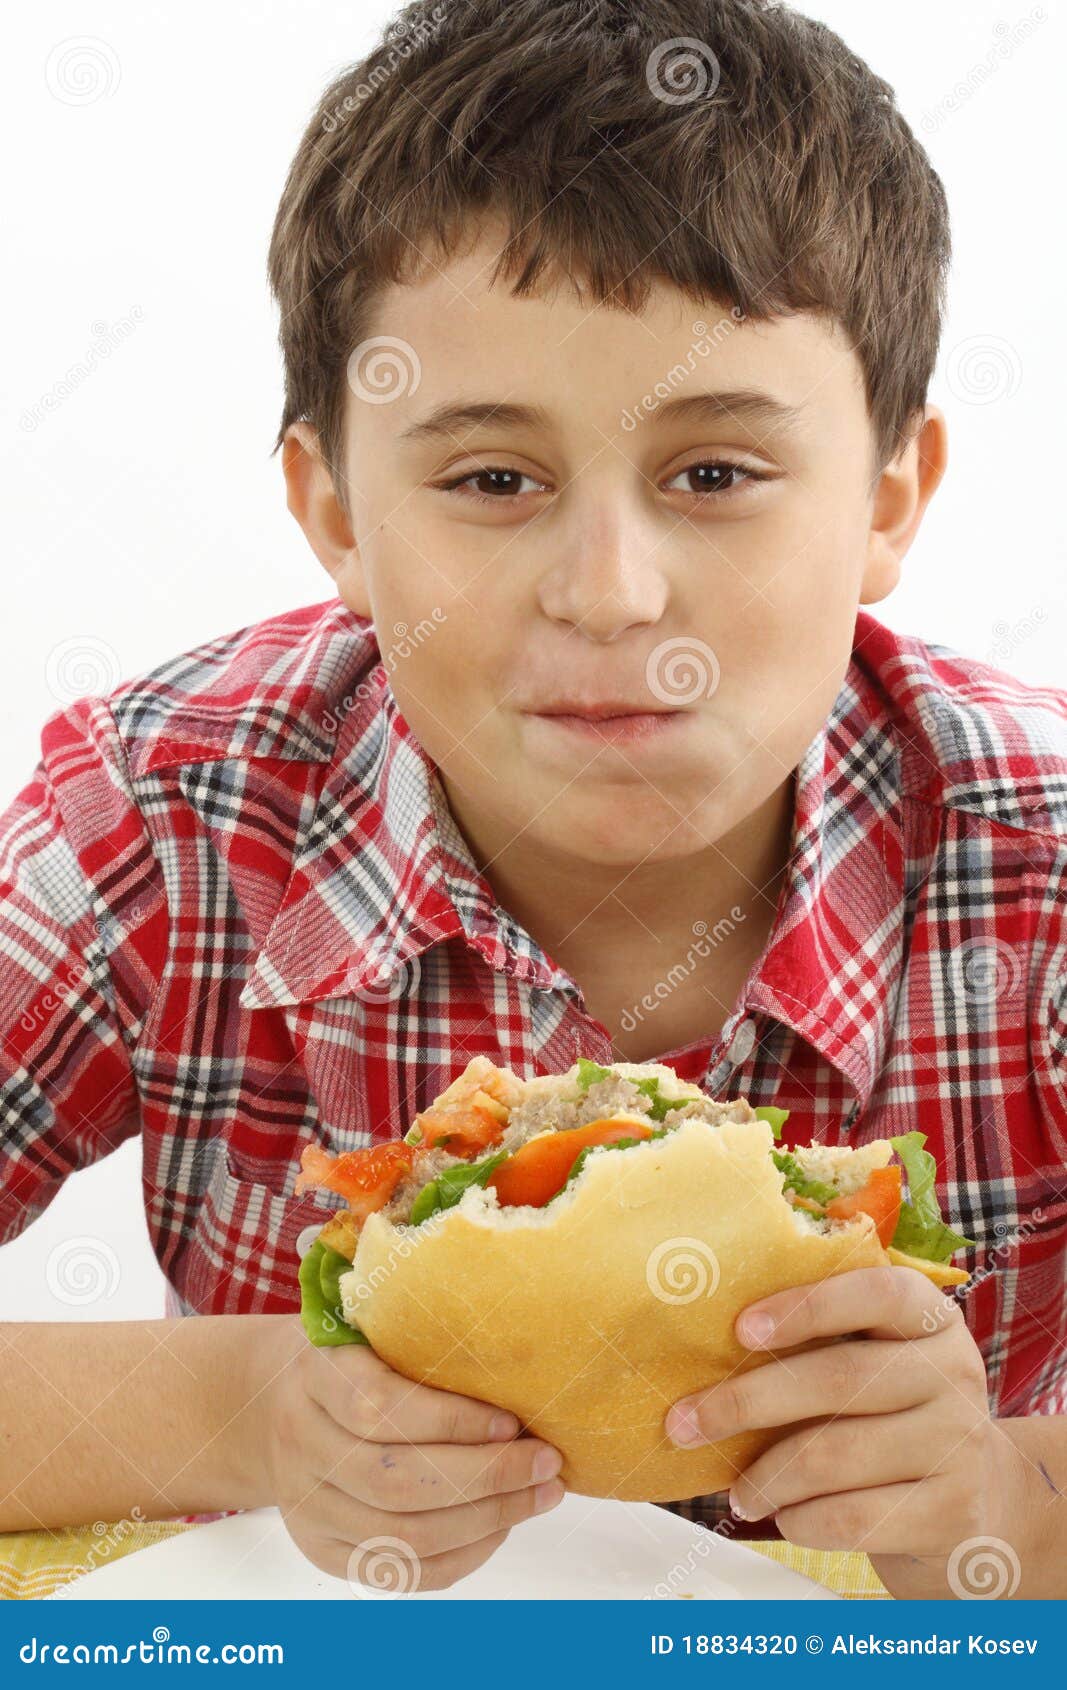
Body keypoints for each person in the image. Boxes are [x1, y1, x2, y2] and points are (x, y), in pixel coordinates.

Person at [1, 0, 1064, 1598]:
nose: (612, 595)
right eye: (494, 479)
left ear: (889, 499)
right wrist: (254, 1401)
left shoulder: (1040, 867)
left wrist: (1005, 1489)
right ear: (334, 509)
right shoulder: (162, 818)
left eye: (715, 474)